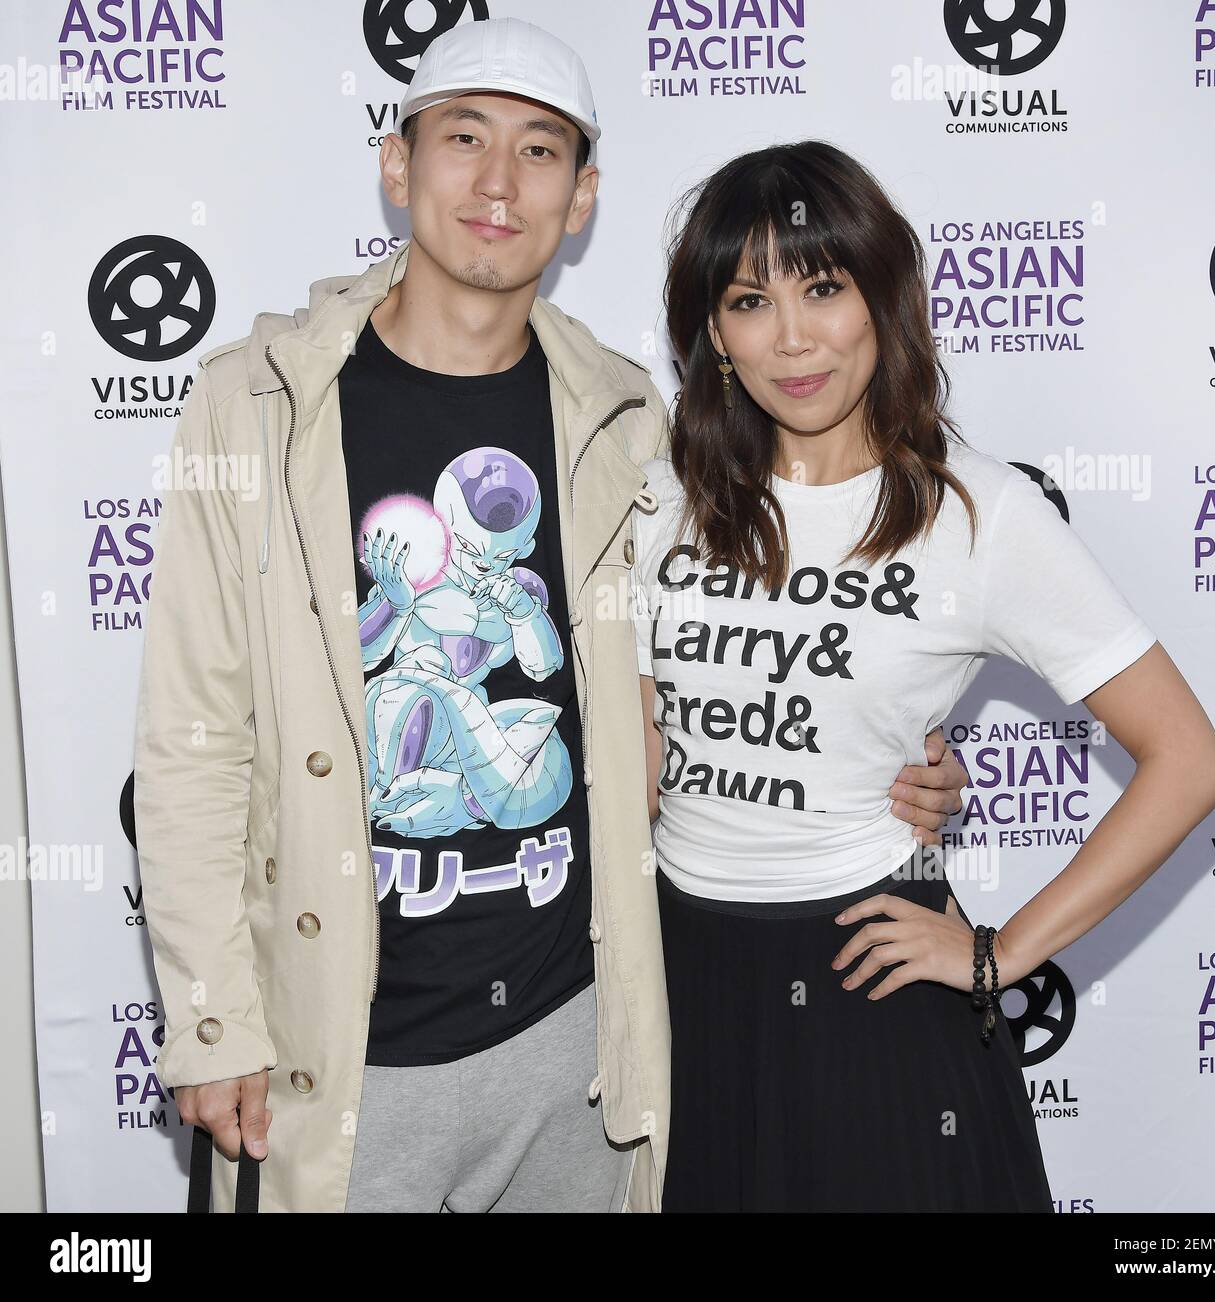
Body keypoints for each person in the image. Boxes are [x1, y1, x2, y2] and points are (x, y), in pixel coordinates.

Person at [131, 20, 967, 1213]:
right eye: (462, 138)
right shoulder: (255, 404)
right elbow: (192, 733)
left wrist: (896, 755)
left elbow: (746, 645)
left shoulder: (625, 419)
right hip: (341, 1051)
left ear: (580, 201)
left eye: (537, 152)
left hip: (577, 1049)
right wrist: (211, 1018)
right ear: (396, 165)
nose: (494, 182)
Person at [631, 140, 1215, 1212]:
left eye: (823, 286)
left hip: (873, 977)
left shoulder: (975, 511)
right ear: (713, 333)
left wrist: (1001, 955)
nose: (794, 337)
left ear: (882, 295)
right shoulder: (655, 498)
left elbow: (1187, 760)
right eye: (749, 300)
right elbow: (637, 747)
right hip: (683, 979)